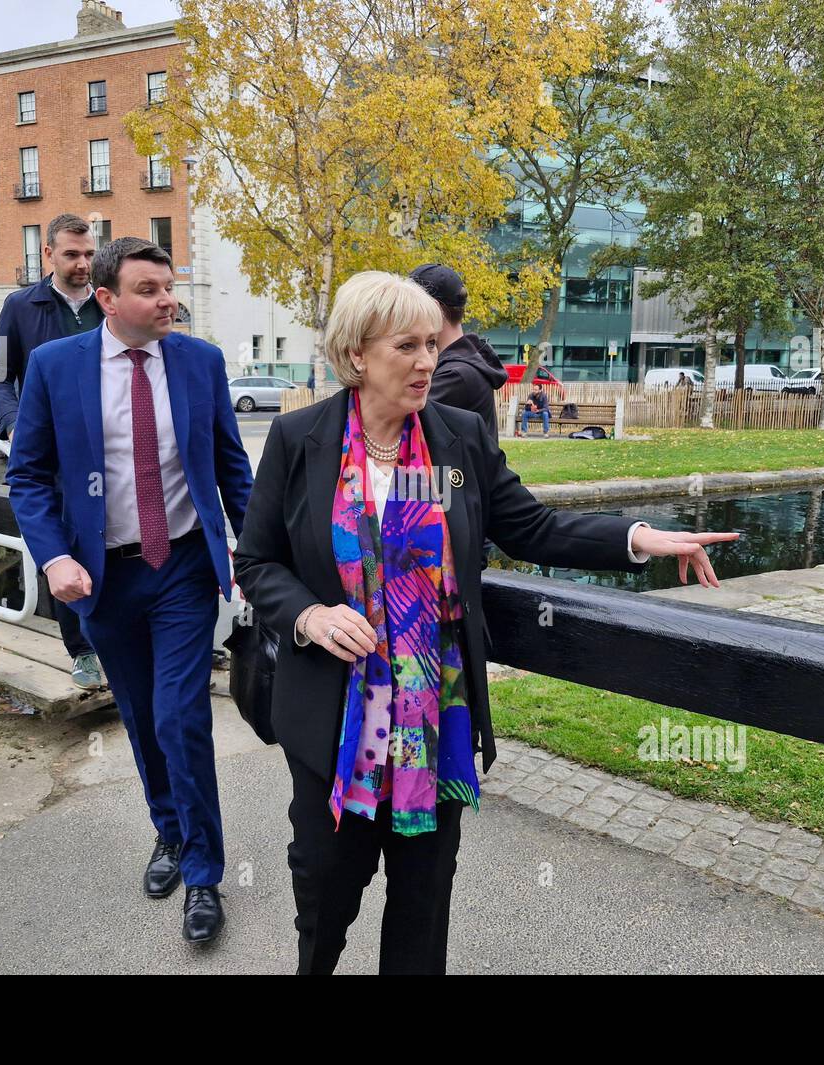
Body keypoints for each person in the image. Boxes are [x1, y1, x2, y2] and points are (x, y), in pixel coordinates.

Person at [232, 271, 738, 974]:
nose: (426, 362)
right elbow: (257, 562)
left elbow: (531, 527)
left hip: (436, 724)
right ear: (355, 355)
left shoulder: (457, 439)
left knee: (422, 909)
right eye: (405, 346)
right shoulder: (298, 439)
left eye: (431, 344)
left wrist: (637, 538)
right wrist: (311, 614)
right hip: (334, 724)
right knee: (324, 895)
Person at [7, 237, 253, 943]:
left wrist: (265, 555)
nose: (167, 300)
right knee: (143, 718)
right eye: (149, 290)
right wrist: (54, 558)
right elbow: (26, 475)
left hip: (181, 567)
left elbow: (233, 470)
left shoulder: (199, 361)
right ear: (109, 300)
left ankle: (204, 876)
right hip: (103, 578)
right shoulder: (57, 368)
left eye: (170, 286)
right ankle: (169, 832)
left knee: (183, 715)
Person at [0, 214, 106, 689]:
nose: (82, 264)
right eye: (72, 254)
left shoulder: (109, 302)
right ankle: (83, 650)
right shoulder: (20, 307)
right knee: (62, 547)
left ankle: (124, 638)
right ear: (48, 255)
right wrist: (15, 425)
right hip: (51, 456)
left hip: (110, 448)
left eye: (89, 254)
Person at [409, 263, 509, 442]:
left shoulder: (455, 375)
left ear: (435, 309)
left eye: (409, 307)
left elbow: (398, 426)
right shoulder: (465, 361)